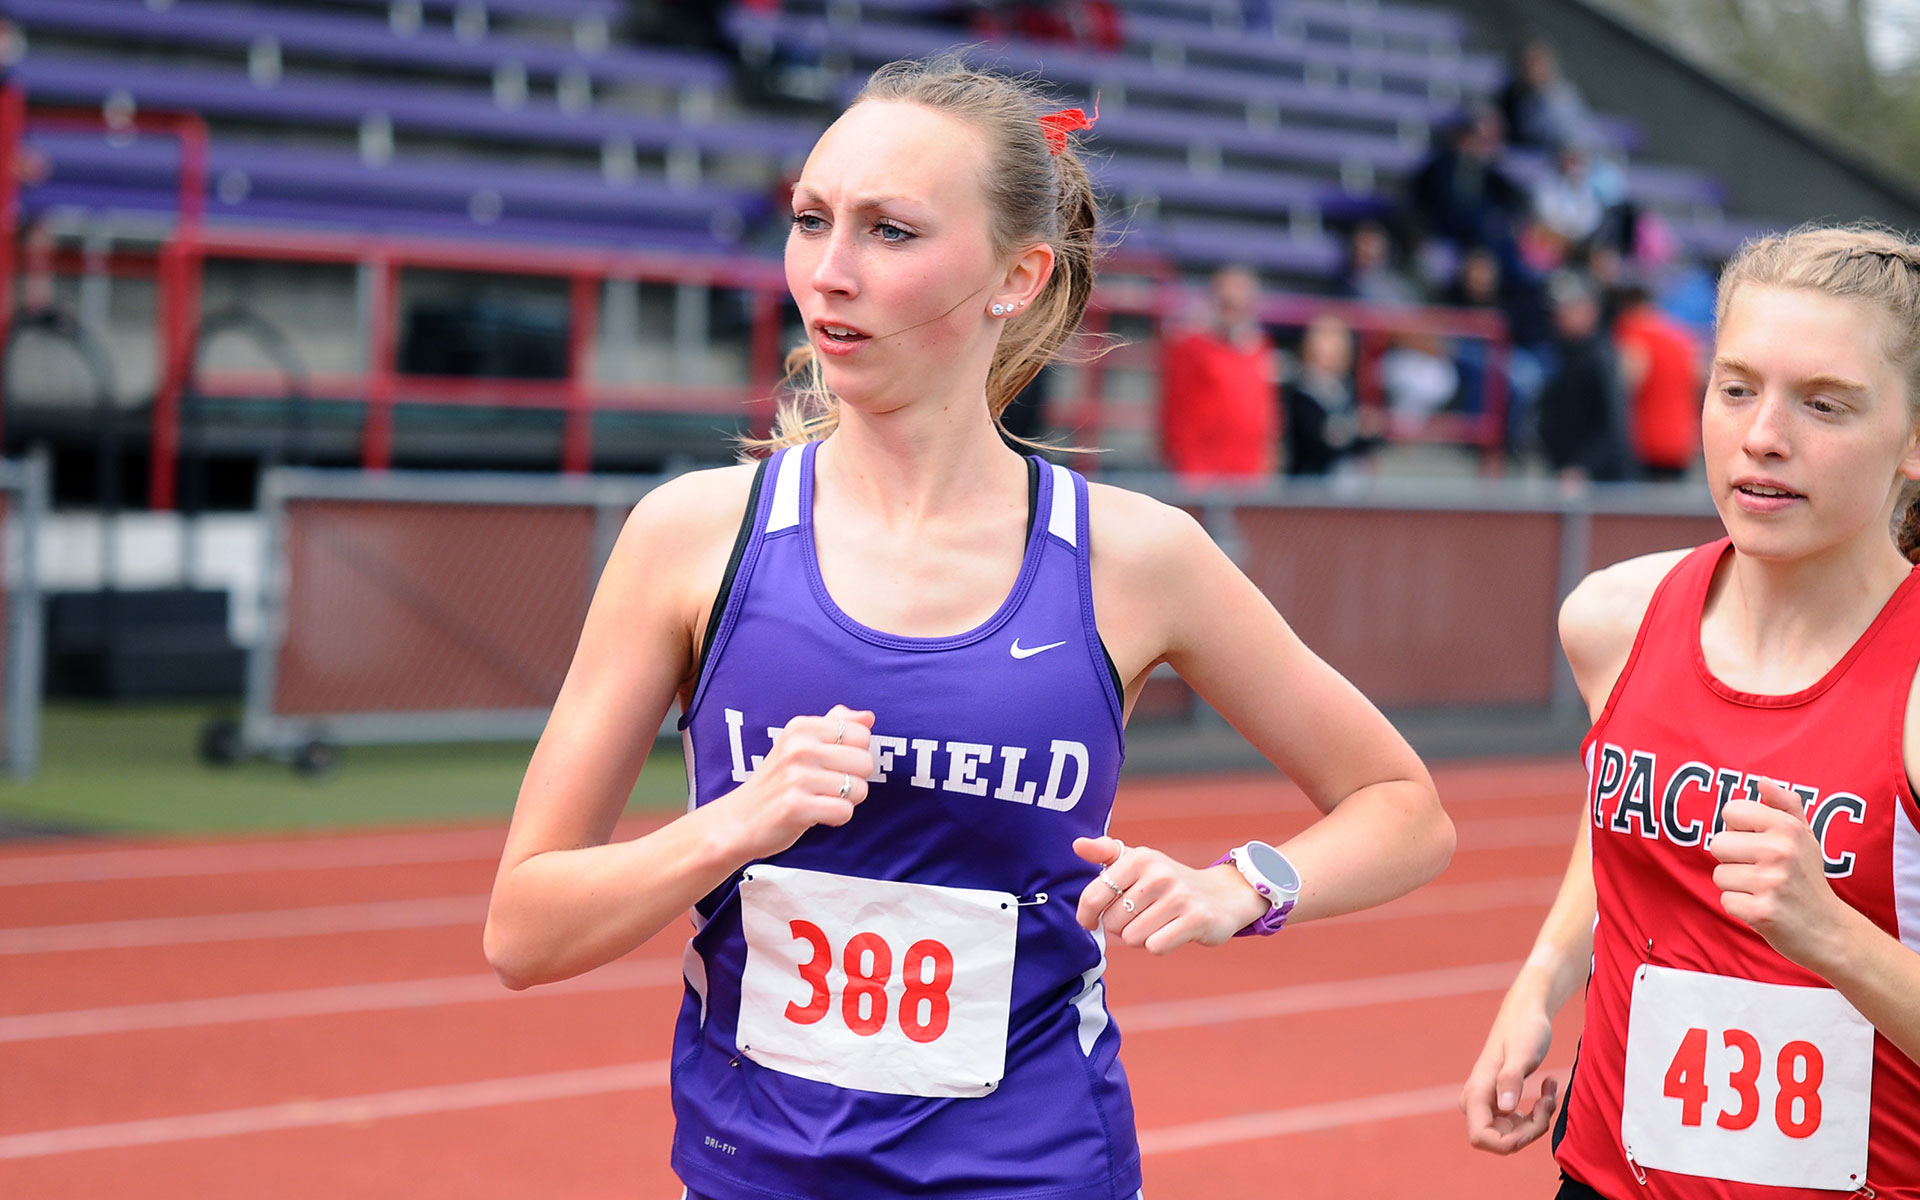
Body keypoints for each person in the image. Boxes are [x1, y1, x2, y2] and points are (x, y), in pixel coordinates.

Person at [485, 56, 1456, 1199]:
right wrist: (731, 825)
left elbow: (1407, 812)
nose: (828, 272)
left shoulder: (1135, 559)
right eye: (810, 220)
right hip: (753, 1176)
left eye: (889, 233)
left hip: (1037, 1173)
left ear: (1018, 275)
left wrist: (1241, 886)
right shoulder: (693, 537)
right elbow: (523, 931)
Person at [1461, 224, 1920, 1197]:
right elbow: (1620, 819)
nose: (1763, 436)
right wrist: (1541, 975)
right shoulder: (1613, 620)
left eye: (1825, 405)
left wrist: (1832, 934)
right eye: (1738, 387)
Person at [1158, 263, 1280, 481]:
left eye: (1240, 296)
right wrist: (1187, 467)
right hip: (1201, 473)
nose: (1233, 303)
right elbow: (1175, 412)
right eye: (1226, 301)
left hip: (1248, 474)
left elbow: (1266, 414)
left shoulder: (1260, 350)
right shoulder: (1189, 347)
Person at [1613, 280, 1702, 481]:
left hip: (1648, 443)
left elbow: (1630, 382)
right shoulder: (1680, 336)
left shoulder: (1634, 333)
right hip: (1680, 441)